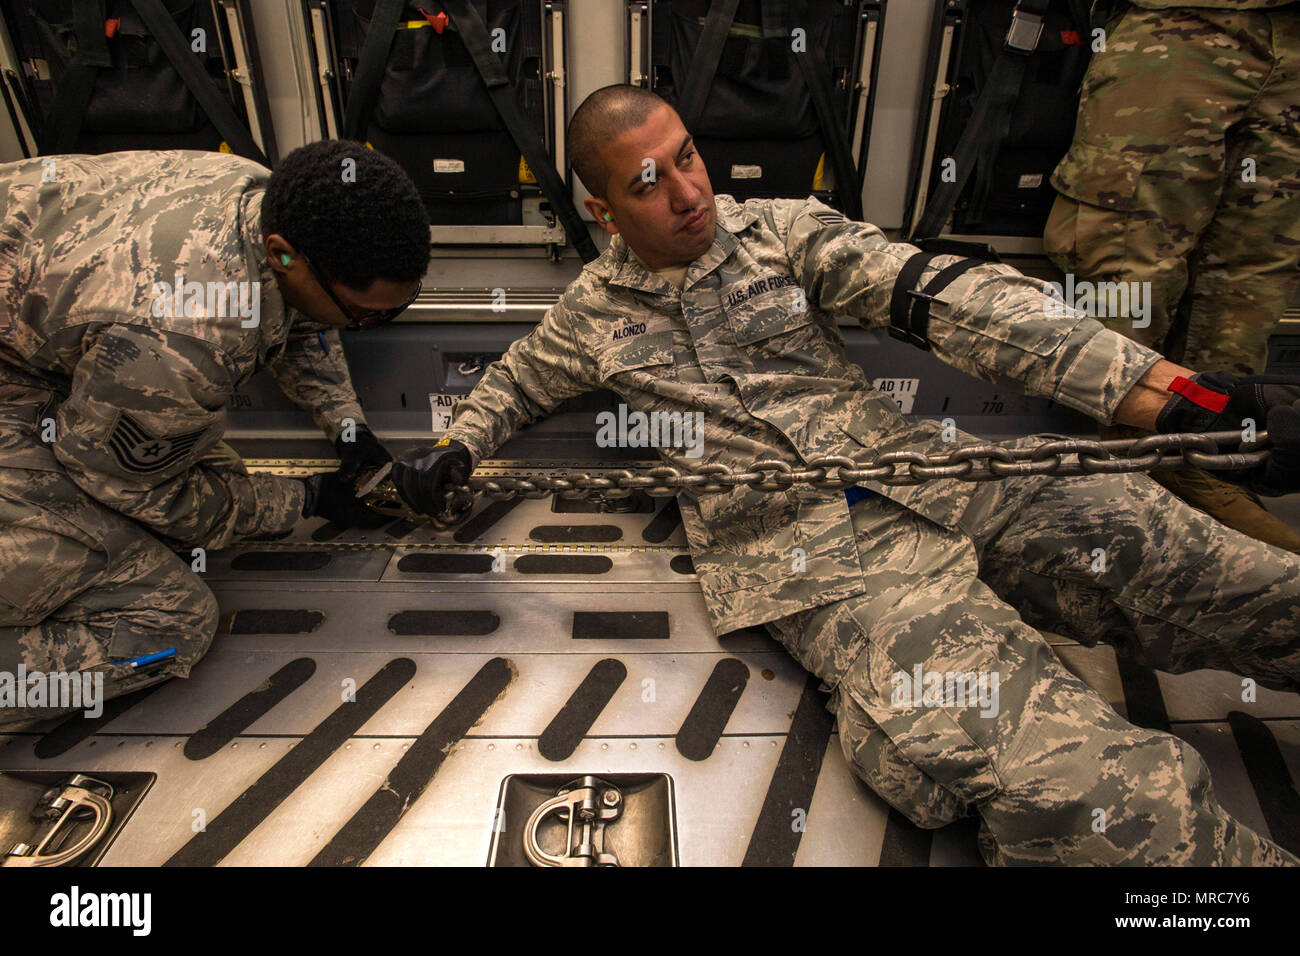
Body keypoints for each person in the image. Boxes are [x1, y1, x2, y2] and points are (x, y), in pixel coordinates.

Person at [394, 84, 1300, 865]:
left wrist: (1174, 399)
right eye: (647, 183)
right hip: (823, 565)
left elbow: (947, 297)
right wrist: (456, 448)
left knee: (1238, 578)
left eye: (688, 159)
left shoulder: (785, 234)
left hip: (943, 475)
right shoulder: (590, 316)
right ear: (603, 211)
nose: (686, 193)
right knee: (1082, 786)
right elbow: (513, 379)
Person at [0, 140, 427, 730]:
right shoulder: (185, 337)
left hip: (28, 358)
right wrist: (307, 500)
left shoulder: (258, 196)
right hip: (23, 395)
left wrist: (348, 428)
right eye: (364, 316)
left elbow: (296, 317)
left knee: (203, 469)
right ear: (284, 256)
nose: (372, 327)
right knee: (170, 622)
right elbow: (136, 489)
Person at [1045, 0, 1300, 550]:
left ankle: (1208, 461)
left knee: (1254, 262)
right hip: (1183, 22)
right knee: (1126, 250)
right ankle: (1123, 466)